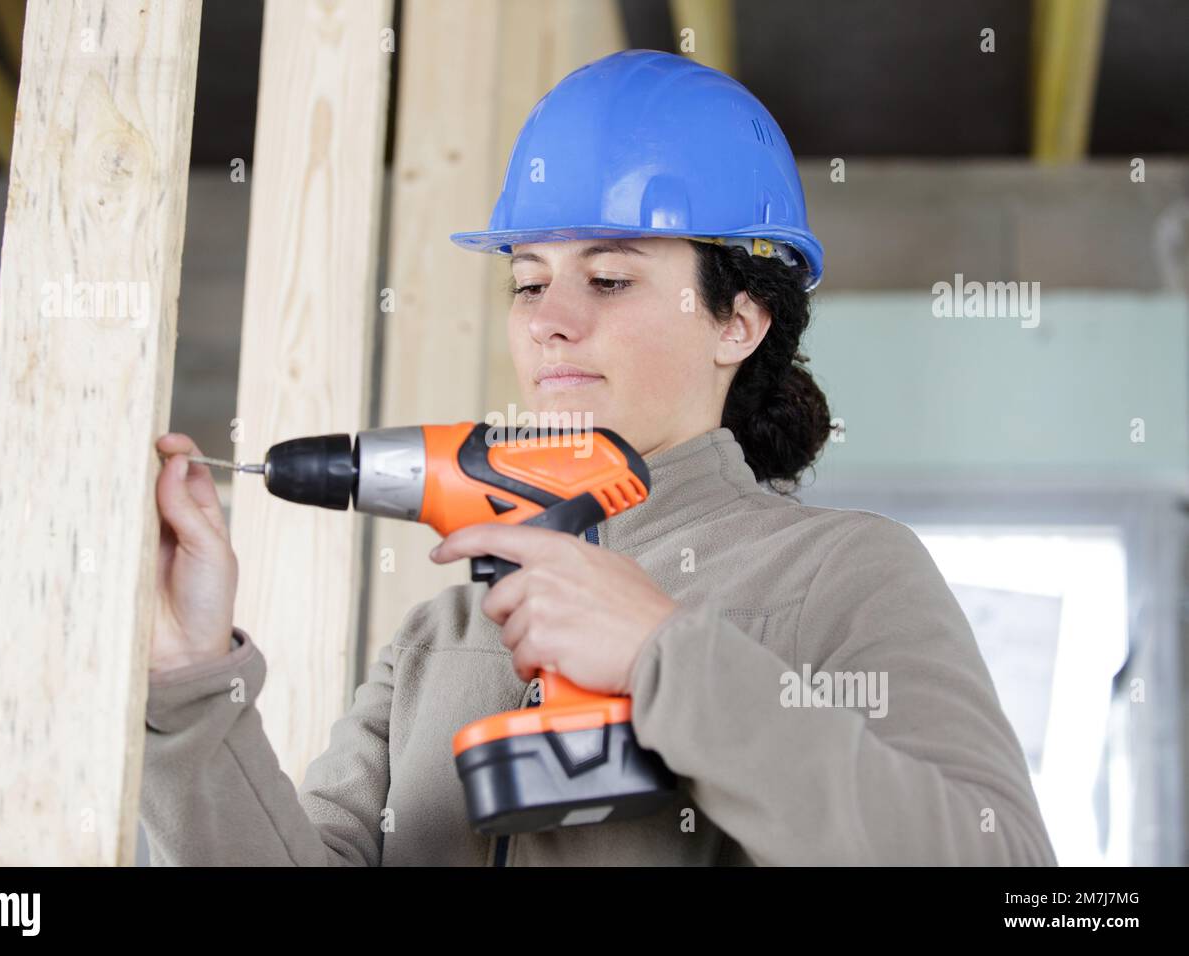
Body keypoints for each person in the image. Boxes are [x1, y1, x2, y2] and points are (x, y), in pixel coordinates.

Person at [141, 49, 1056, 865]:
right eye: (529, 281)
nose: (549, 320)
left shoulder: (845, 575)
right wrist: (191, 680)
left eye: (609, 279)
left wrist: (667, 658)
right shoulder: (440, 639)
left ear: (738, 320)